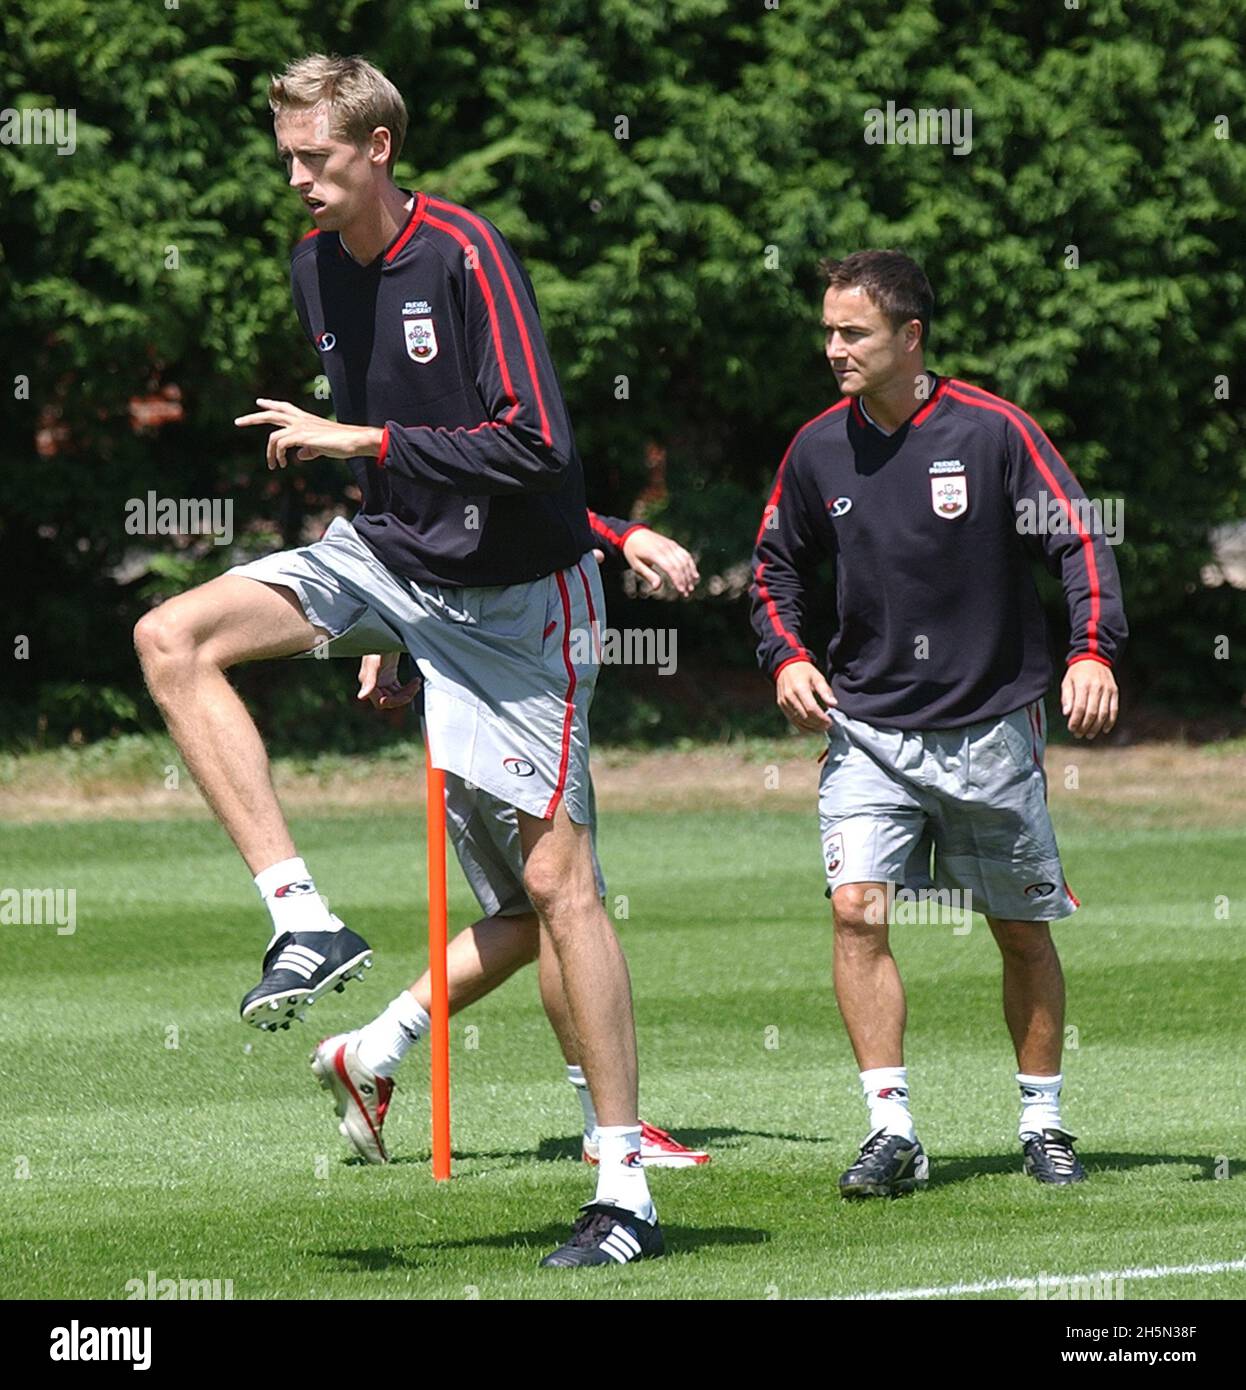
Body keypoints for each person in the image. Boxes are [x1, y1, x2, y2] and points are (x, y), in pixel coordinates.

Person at [133, 52, 660, 1266]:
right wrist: (388, 628)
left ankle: (624, 1188)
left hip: (522, 604)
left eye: (315, 157)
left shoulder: (466, 253)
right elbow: (379, 456)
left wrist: (361, 440)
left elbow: (536, 446)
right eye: (286, 158)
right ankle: (302, 919)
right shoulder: (314, 264)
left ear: (378, 148)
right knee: (171, 636)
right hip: (390, 561)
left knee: (556, 888)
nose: (297, 178)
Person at [749, 249, 1127, 1197]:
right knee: (857, 910)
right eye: (829, 332)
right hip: (868, 729)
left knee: (1020, 931)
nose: (834, 349)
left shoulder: (994, 431)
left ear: (910, 336)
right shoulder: (816, 449)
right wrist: (788, 657)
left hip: (990, 727)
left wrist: (1092, 650)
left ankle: (1042, 1122)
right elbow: (773, 569)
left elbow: (1079, 536)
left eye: (854, 333)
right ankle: (893, 1132)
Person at [313, 514, 710, 1170]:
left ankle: (372, 1052)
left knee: (530, 917)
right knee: (568, 908)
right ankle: (605, 1128)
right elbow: (516, 494)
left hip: (474, 705)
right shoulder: (472, 473)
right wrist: (622, 535)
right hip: (509, 711)